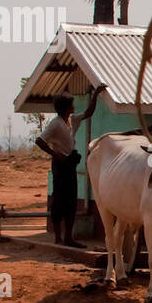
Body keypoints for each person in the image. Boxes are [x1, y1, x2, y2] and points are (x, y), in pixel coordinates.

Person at [36, 85, 106, 247]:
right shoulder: (55, 124)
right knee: (60, 199)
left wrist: (95, 94)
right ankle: (58, 237)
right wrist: (55, 154)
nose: (74, 106)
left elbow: (89, 113)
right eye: (72, 104)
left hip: (70, 164)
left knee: (71, 201)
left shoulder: (72, 120)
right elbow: (40, 140)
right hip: (60, 164)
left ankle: (68, 237)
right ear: (66, 107)